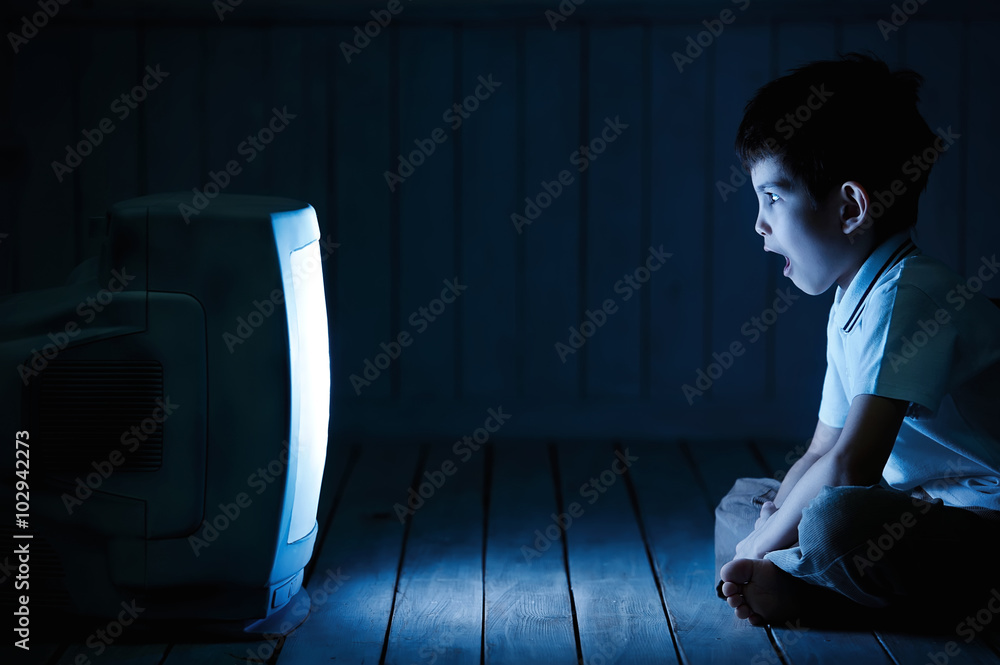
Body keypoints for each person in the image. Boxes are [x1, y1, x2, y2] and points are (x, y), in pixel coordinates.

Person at [714, 52, 1000, 628]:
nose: (759, 224)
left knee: (833, 523)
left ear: (850, 207)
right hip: (914, 507)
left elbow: (851, 466)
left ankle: (821, 598)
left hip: (981, 521)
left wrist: (759, 546)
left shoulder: (908, 295)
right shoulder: (854, 298)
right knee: (746, 500)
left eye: (772, 198)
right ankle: (804, 577)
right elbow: (822, 449)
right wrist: (768, 523)